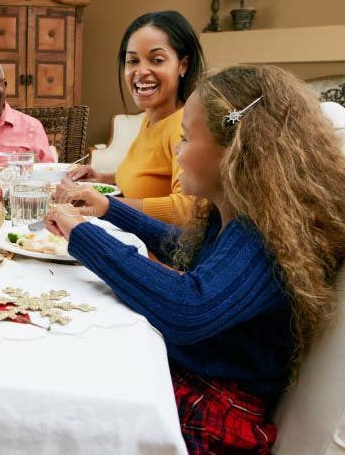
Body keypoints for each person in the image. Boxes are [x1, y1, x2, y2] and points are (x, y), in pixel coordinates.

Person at [44, 64, 345, 453]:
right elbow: (184, 248)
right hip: (200, 377)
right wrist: (109, 208)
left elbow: (189, 307)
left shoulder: (261, 237)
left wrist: (82, 235)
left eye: (186, 137)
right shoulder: (232, 216)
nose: (176, 149)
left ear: (234, 152)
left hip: (219, 410)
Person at [64, 10, 205, 225]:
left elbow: (190, 209)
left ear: (182, 65)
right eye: (132, 61)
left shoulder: (182, 127)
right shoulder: (149, 119)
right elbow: (150, 181)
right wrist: (103, 180)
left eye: (156, 60)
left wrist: (109, 205)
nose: (141, 71)